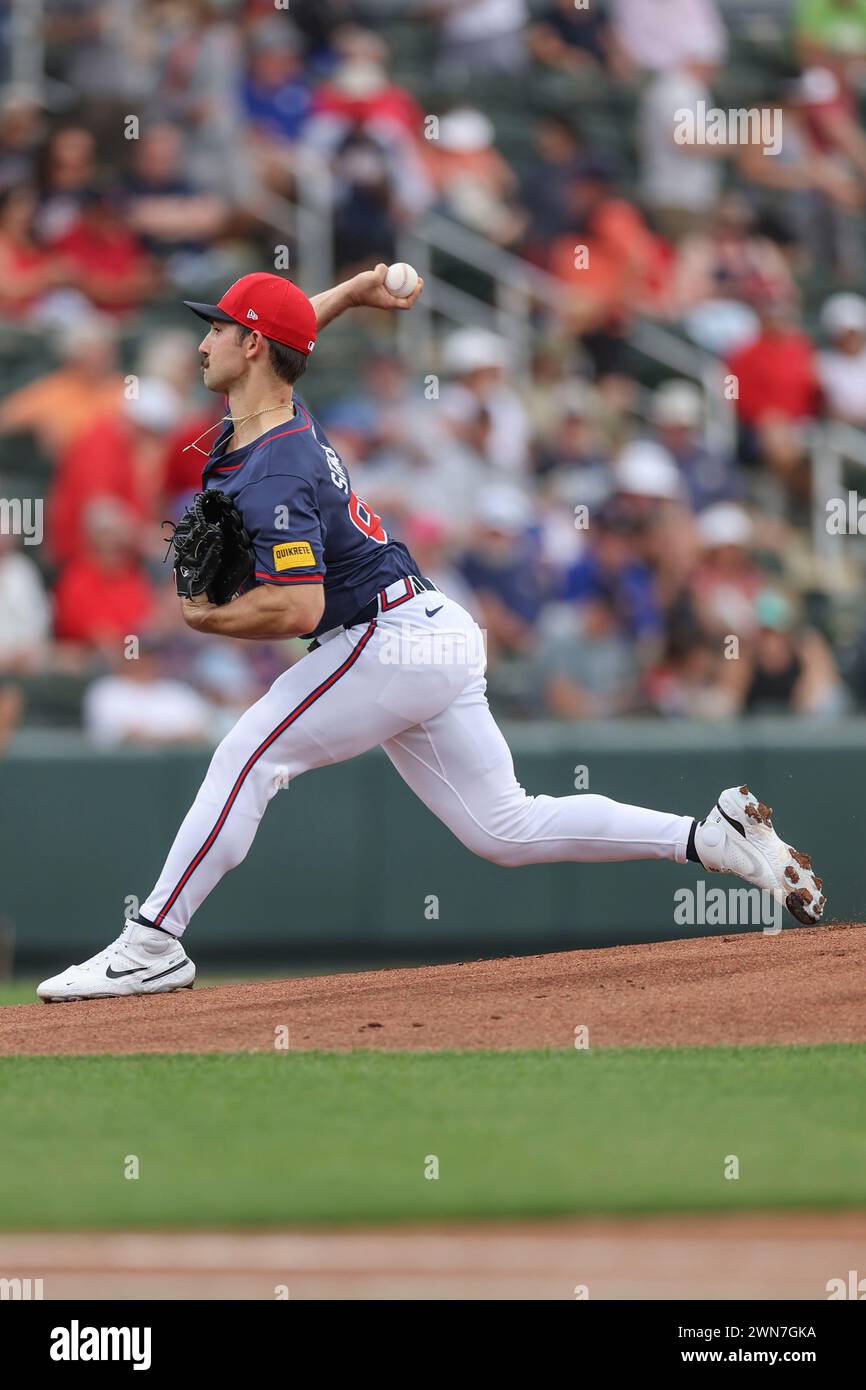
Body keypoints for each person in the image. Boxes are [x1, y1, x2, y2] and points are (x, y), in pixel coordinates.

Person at [36, 266, 824, 1002]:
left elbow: (300, 609)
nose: (202, 341)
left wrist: (204, 617)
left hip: (383, 637)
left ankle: (153, 943)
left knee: (249, 754)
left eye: (217, 328)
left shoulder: (275, 462)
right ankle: (710, 839)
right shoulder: (279, 411)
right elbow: (294, 327)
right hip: (427, 628)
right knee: (505, 828)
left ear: (250, 348)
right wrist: (358, 288)